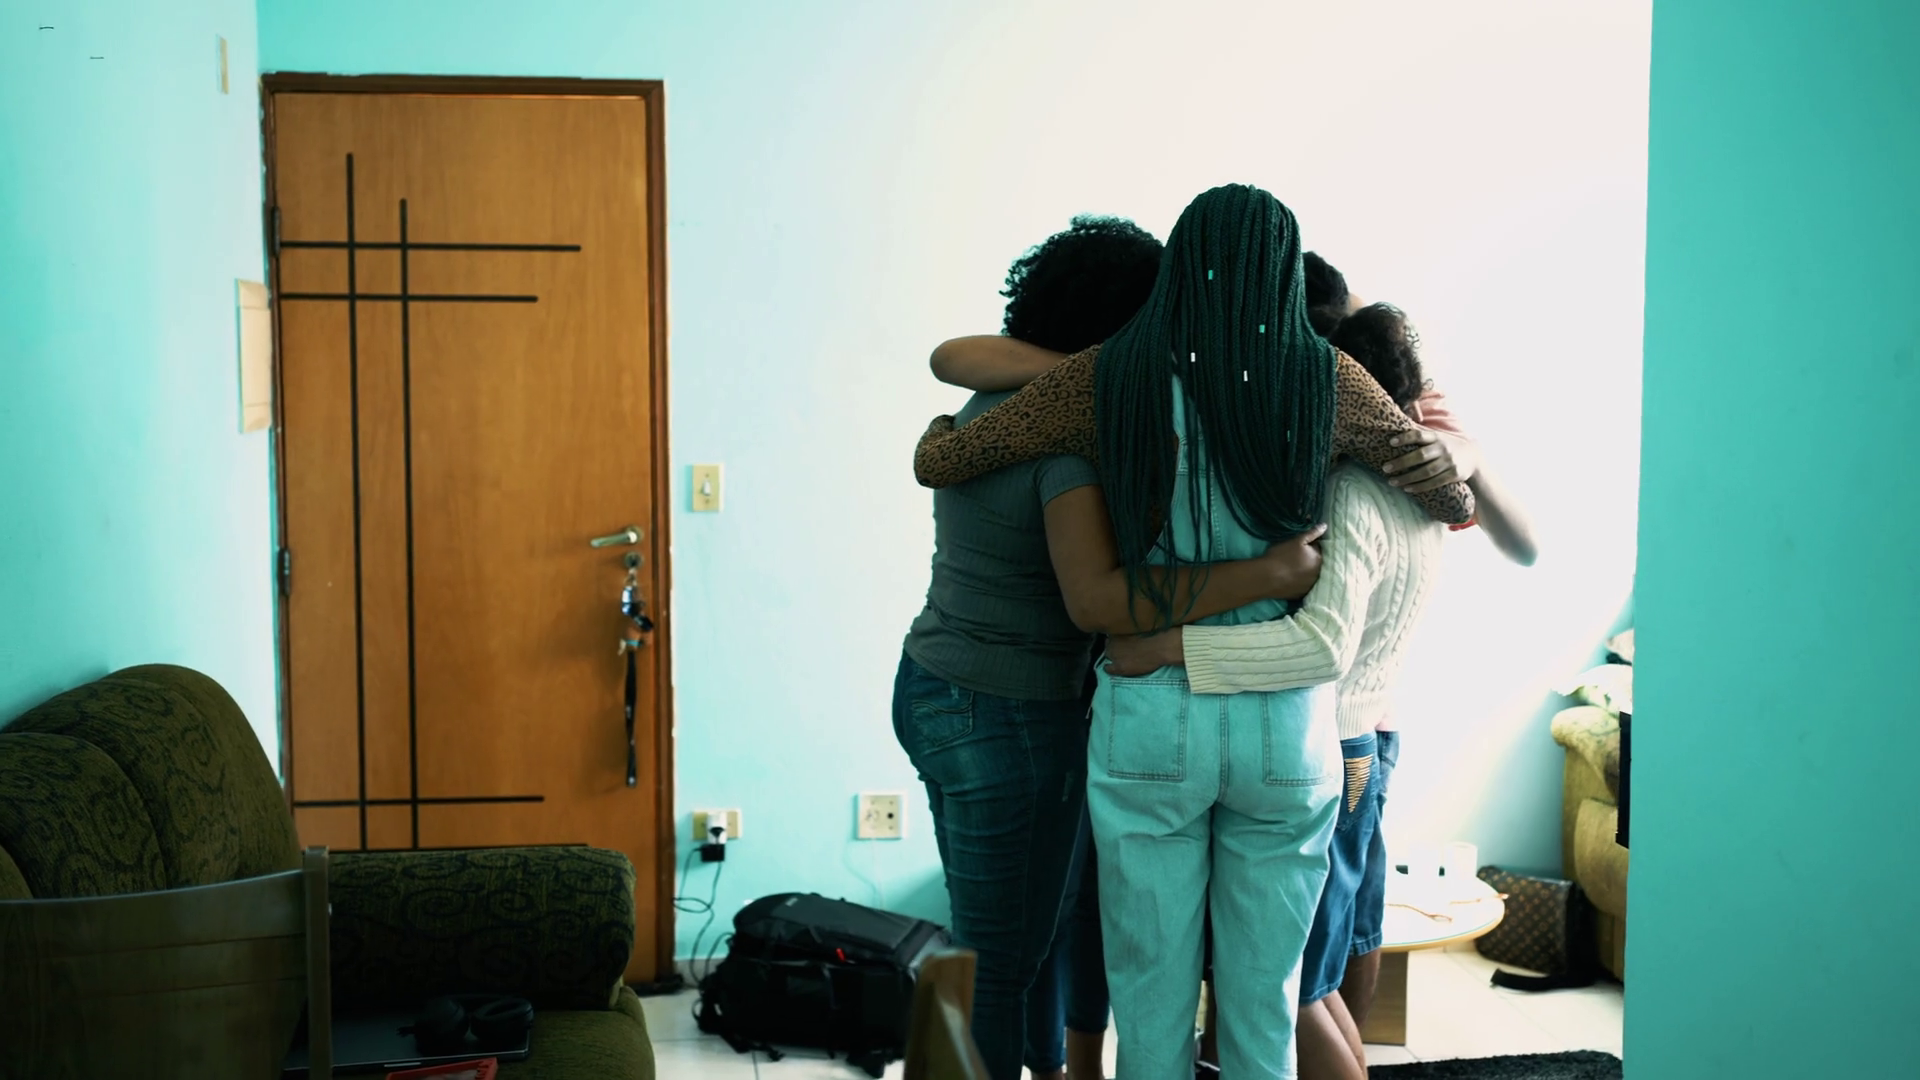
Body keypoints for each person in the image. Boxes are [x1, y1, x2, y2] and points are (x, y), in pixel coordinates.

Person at [892, 214, 1328, 1080]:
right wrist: (1273, 572)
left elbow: (953, 357)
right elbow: (1098, 598)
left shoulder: (1004, 395)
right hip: (1006, 712)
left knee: (994, 945)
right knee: (1001, 963)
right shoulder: (1070, 430)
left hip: (939, 684)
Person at [1108, 300, 1485, 1080]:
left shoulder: (1352, 492)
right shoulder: (1428, 493)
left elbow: (1319, 647)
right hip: (1373, 739)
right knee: (1323, 972)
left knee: (1297, 993)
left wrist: (1167, 648)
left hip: (1337, 740)